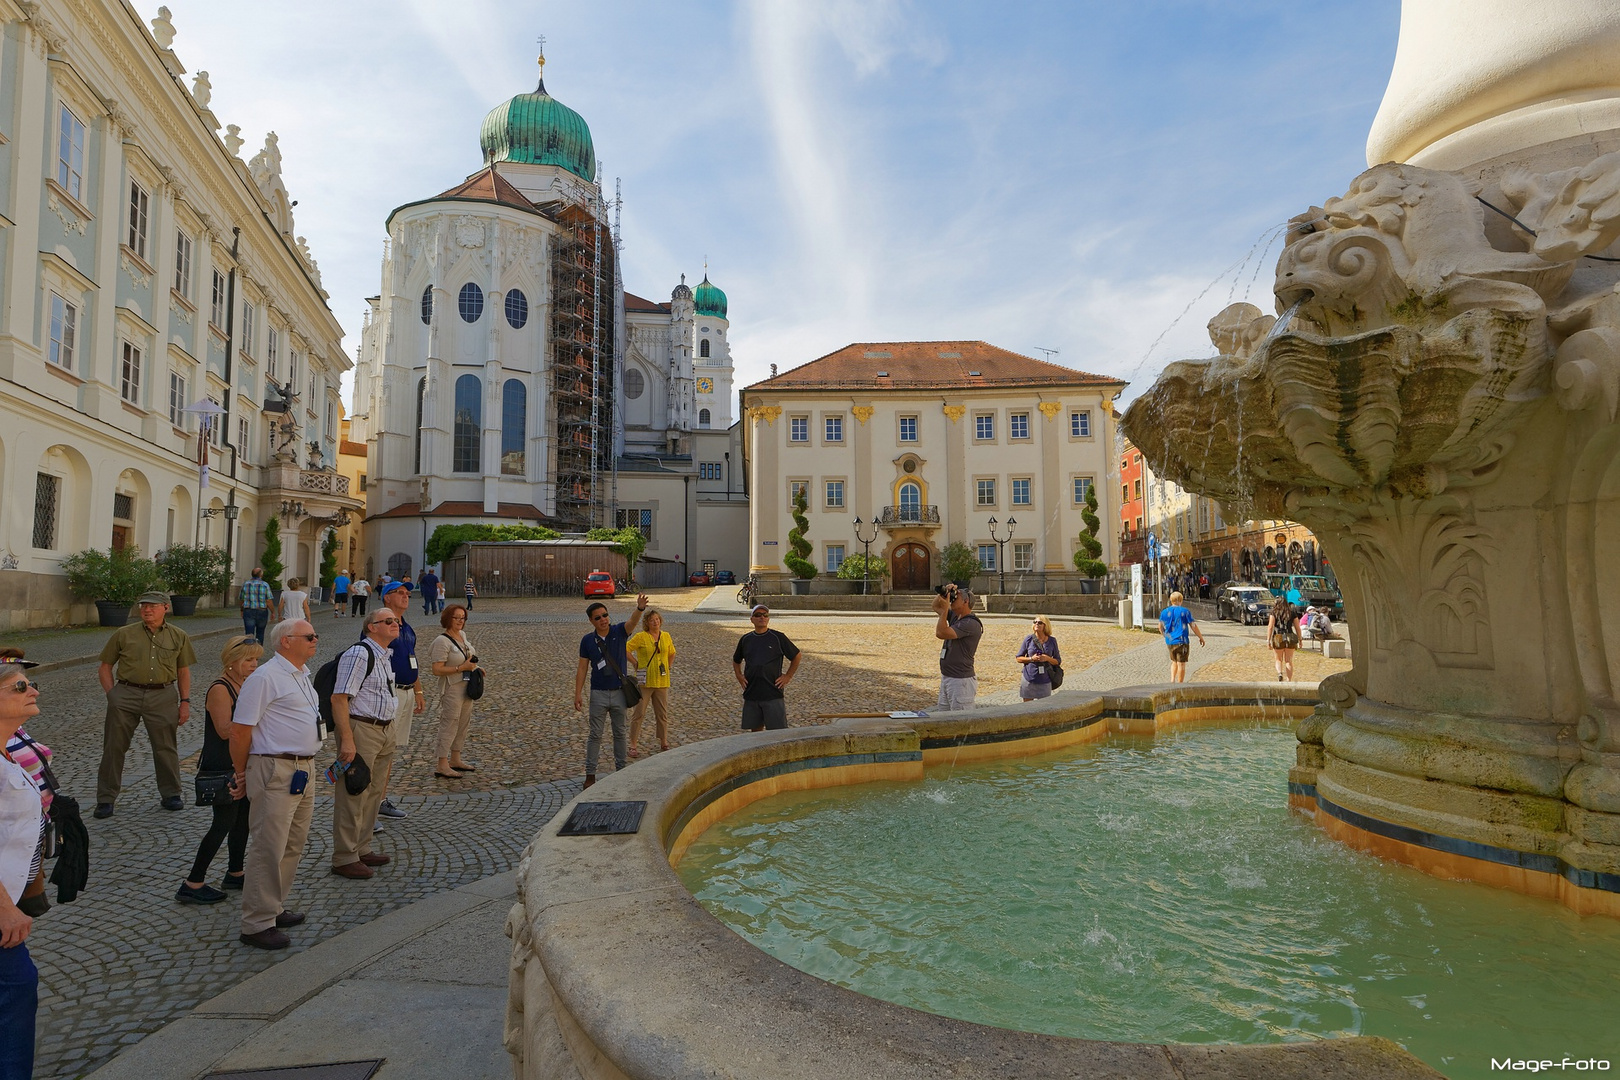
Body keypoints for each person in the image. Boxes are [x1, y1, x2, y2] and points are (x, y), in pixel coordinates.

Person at [230, 618, 321, 950]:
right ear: (286, 641)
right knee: (268, 846)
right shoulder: (265, 677)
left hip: (302, 768)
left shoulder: (300, 675)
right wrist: (241, 774)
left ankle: (273, 905)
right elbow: (240, 731)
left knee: (292, 844)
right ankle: (255, 922)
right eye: (309, 636)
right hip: (274, 768)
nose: (315, 639)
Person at [94, 591, 197, 818]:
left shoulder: (178, 636)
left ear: (165, 608)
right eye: (143, 606)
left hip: (163, 695)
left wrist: (185, 702)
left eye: (152, 606)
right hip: (126, 694)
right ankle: (105, 799)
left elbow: (183, 671)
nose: (146, 610)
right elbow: (105, 666)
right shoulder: (124, 633)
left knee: (165, 747)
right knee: (113, 747)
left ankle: (171, 794)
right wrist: (113, 695)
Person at [177, 636, 261, 904]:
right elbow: (225, 730)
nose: (254, 664)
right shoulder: (220, 689)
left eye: (256, 659)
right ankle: (193, 882)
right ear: (231, 661)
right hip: (223, 764)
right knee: (223, 823)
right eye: (248, 659)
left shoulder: (246, 684)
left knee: (241, 821)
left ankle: (235, 872)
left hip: (241, 761)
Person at [0, 652, 47, 1079]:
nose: (32, 689)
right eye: (19, 686)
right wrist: (4, 907)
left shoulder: (12, 749)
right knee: (16, 989)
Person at [329, 608, 400, 880]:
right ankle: (344, 856)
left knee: (373, 792)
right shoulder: (359, 653)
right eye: (388, 621)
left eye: (396, 621)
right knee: (353, 792)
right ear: (372, 627)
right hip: (361, 728)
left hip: (383, 728)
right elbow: (339, 698)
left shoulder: (384, 655)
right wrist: (347, 739)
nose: (395, 624)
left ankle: (362, 847)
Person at [574, 595, 647, 787]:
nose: (603, 619)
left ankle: (621, 772)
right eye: (597, 617)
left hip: (619, 693)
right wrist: (578, 693)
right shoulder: (587, 641)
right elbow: (582, 668)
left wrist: (639, 609)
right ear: (591, 621)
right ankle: (590, 775)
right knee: (595, 735)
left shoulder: (619, 632)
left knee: (620, 734)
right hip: (598, 693)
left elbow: (632, 622)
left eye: (605, 615)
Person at [376, 581, 423, 821]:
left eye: (407, 593)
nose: (406, 596)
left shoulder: (406, 627)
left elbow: (411, 658)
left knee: (391, 749)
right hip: (388, 692)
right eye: (400, 593)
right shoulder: (380, 626)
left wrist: (419, 690)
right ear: (386, 598)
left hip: (406, 692)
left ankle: (380, 800)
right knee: (380, 749)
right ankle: (369, 804)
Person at [732, 604, 801, 732]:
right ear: (752, 619)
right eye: (758, 615)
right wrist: (739, 675)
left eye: (765, 615)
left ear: (768, 618)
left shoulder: (778, 637)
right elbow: (736, 660)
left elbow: (796, 656)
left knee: (777, 733)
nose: (762, 617)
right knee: (756, 732)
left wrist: (788, 676)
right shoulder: (746, 639)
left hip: (773, 692)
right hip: (752, 692)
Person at [429, 604, 480, 778]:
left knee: (463, 723)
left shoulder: (463, 636)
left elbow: (468, 656)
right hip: (451, 687)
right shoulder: (441, 641)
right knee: (450, 723)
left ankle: (455, 758)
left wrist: (476, 667)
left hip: (467, 686)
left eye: (462, 617)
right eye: (456, 617)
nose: (460, 621)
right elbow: (437, 669)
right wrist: (460, 667)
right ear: (448, 618)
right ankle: (442, 763)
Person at [627, 608, 675, 756]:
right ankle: (633, 744)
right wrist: (635, 663)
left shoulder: (666, 636)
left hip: (661, 681)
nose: (655, 622)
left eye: (657, 619)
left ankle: (663, 741)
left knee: (662, 713)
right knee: (639, 713)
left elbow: (672, 652)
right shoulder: (641, 637)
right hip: (644, 681)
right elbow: (625, 649)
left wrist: (668, 666)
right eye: (652, 620)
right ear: (647, 623)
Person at [933, 585, 983, 711]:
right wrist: (944, 595)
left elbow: (941, 633)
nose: (953, 600)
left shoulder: (970, 623)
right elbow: (936, 606)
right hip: (947, 677)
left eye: (956, 597)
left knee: (961, 721)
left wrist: (945, 610)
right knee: (943, 720)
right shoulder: (956, 617)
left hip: (961, 681)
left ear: (966, 601)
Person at [1159, 590, 1206, 683]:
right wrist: (1200, 637)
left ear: (1171, 600)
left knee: (1174, 662)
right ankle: (1180, 685)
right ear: (1180, 600)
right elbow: (1193, 626)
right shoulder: (1184, 611)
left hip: (1170, 642)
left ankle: (1172, 680)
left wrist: (1166, 636)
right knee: (1181, 664)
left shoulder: (1164, 612)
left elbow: (1160, 627)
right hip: (1182, 641)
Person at [1016, 615, 1062, 702]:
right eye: (1035, 622)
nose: (1037, 624)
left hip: (1045, 680)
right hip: (1029, 678)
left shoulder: (1052, 641)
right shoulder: (1028, 639)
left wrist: (1047, 658)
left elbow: (1057, 661)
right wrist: (1031, 659)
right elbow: (1018, 658)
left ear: (1046, 625)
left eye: (1040, 623)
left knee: (1044, 709)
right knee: (1027, 708)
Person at [1267, 596, 1301, 682]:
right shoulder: (1292, 612)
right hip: (1290, 636)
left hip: (1278, 636)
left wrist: (1268, 640)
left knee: (1278, 659)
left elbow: (1270, 627)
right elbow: (1297, 627)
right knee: (1288, 660)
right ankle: (1288, 680)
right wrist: (1300, 639)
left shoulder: (1274, 613)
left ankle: (1280, 673)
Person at [240, 567, 273, 644]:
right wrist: (273, 612)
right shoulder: (265, 585)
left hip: (248, 610)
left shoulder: (245, 584)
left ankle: (249, 651)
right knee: (260, 633)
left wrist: (241, 610)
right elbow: (268, 600)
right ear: (261, 574)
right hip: (262, 611)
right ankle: (258, 652)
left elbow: (242, 599)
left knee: (249, 633)